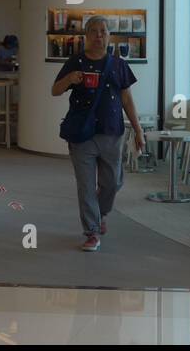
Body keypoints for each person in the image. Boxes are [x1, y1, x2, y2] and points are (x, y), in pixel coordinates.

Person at [51, 15, 143, 252]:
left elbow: (127, 98)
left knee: (113, 182)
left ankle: (101, 213)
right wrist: (70, 79)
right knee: (85, 185)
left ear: (109, 36)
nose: (98, 35)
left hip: (112, 132)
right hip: (82, 134)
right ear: (86, 36)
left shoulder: (119, 65)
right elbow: (55, 90)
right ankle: (91, 232)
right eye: (93, 31)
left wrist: (139, 130)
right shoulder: (75, 62)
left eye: (103, 31)